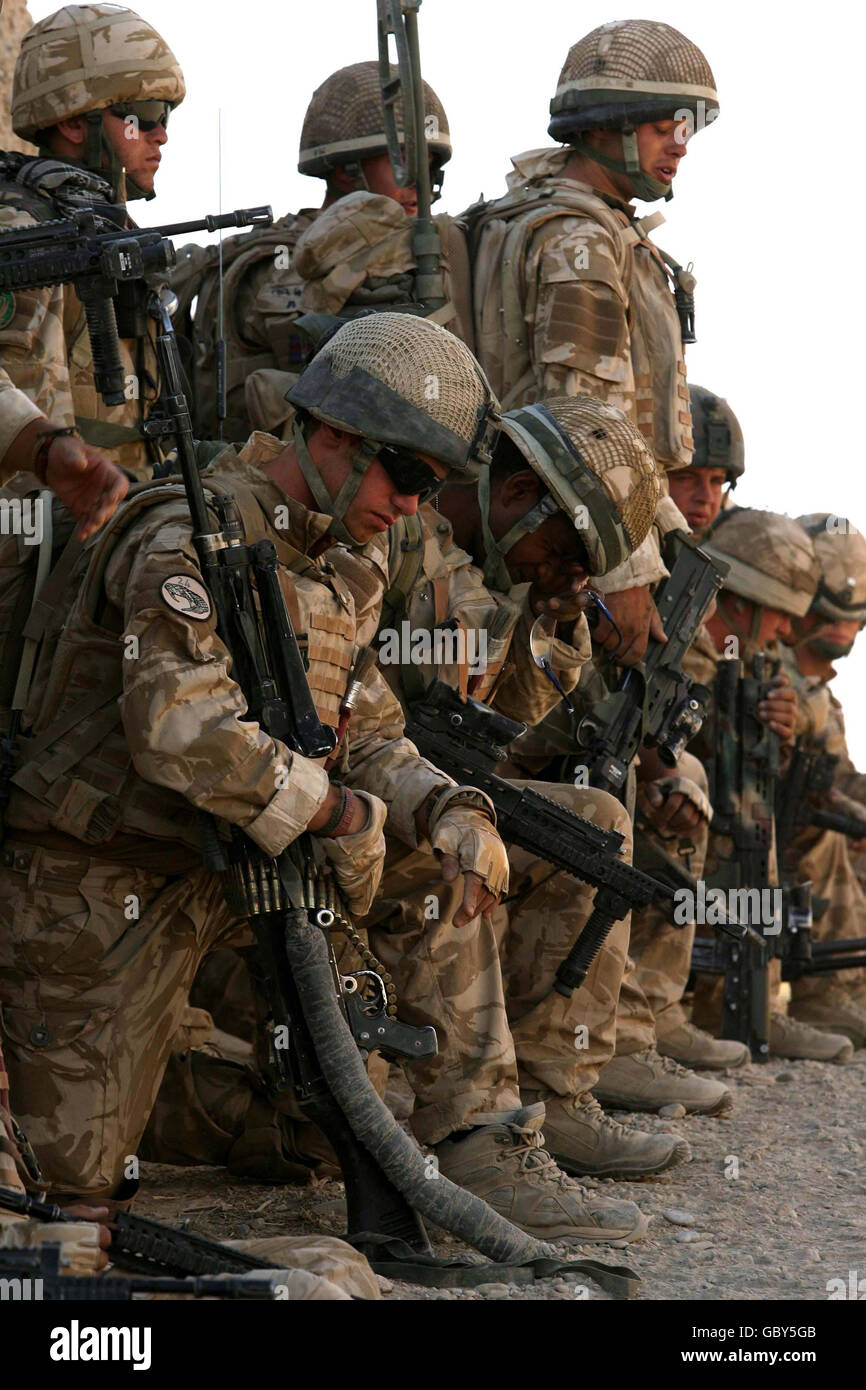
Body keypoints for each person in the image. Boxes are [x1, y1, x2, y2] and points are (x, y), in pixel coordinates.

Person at [0, 314, 520, 1214]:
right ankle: (153, 1085)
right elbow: (180, 728)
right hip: (107, 882)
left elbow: (369, 733)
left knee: (441, 881)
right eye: (406, 476)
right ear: (333, 435)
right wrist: (335, 815)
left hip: (237, 870)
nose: (410, 508)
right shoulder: (187, 531)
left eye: (430, 488)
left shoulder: (343, 566)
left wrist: (447, 810)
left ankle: (483, 1138)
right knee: (70, 1193)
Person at [686, 507, 854, 1062]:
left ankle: (763, 1002)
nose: (787, 630)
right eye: (781, 614)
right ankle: (700, 1006)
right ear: (743, 600)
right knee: (744, 815)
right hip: (674, 810)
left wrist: (773, 729)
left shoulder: (749, 660)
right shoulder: (687, 645)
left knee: (758, 812)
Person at [0, 3, 185, 480]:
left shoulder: (107, 228)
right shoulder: (28, 232)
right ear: (75, 123)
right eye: (144, 114)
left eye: (166, 115)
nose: (161, 133)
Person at [779, 514, 866, 1047]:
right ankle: (823, 995)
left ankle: (852, 990)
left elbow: (843, 778)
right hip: (773, 824)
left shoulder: (823, 696)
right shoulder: (775, 673)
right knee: (828, 830)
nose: (842, 621)